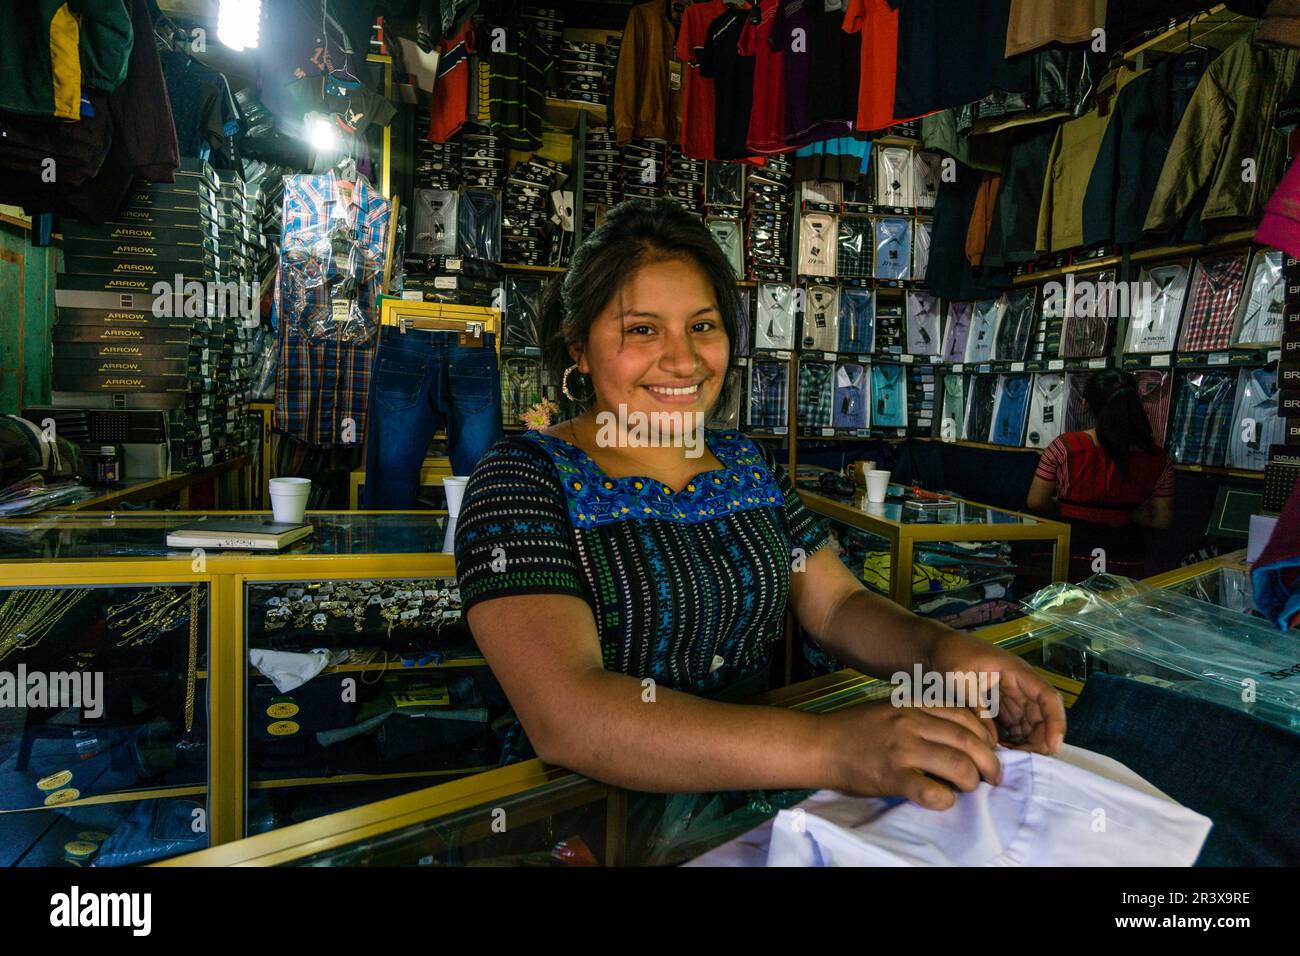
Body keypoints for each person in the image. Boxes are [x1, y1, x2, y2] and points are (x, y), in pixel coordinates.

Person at [455, 199, 1064, 810]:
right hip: (590, 822)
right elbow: (570, 713)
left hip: (748, 809)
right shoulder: (520, 482)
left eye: (702, 325)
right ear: (579, 348)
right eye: (642, 329)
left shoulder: (746, 463)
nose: (684, 359)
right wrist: (832, 748)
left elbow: (837, 606)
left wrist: (939, 652)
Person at [1026, 369, 1175, 580]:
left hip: (1069, 551)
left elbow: (1035, 501)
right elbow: (1162, 519)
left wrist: (1062, 506)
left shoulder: (1064, 446)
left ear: (1085, 404)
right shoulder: (1158, 458)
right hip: (1125, 557)